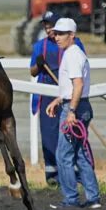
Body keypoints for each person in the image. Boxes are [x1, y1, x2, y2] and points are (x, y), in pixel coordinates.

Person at [44, 18, 100, 210]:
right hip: (76, 105)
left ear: (72, 35)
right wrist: (59, 100)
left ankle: (71, 199)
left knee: (63, 155)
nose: (57, 37)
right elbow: (73, 87)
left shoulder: (72, 55)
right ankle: (93, 197)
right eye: (56, 34)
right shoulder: (73, 53)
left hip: (75, 109)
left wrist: (71, 111)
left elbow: (78, 85)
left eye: (61, 34)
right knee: (80, 154)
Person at [29, 11, 85, 186]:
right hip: (47, 93)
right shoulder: (40, 46)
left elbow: (81, 66)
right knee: (49, 135)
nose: (48, 29)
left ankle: (74, 174)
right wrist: (38, 65)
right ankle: (52, 174)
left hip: (67, 93)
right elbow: (31, 72)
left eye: (51, 26)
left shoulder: (75, 45)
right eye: (46, 26)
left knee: (70, 133)